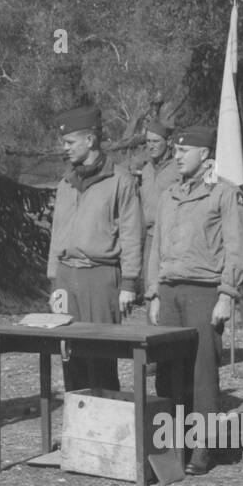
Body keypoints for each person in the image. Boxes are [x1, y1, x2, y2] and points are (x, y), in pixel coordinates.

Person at [146, 125, 243, 475]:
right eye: (175, 150)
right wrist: (154, 293)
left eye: (183, 150)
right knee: (167, 373)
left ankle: (202, 449)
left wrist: (227, 295)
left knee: (201, 373)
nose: (176, 156)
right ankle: (170, 446)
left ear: (204, 154)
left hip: (204, 293)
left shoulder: (224, 194)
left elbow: (236, 248)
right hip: (170, 292)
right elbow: (156, 247)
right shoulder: (169, 195)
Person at [47, 105, 143, 392]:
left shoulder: (120, 181)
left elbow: (131, 234)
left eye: (70, 142)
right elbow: (56, 234)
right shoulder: (65, 184)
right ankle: (78, 414)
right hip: (66, 277)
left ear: (90, 140)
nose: (65, 148)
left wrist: (129, 283)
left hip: (101, 277)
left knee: (101, 354)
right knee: (69, 353)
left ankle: (105, 414)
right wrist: (53, 280)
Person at [137, 118, 180, 293]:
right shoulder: (146, 170)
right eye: (148, 141)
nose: (151, 146)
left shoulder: (179, 168)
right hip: (150, 238)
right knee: (151, 288)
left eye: (156, 141)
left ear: (168, 142)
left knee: (170, 289)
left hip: (173, 239)